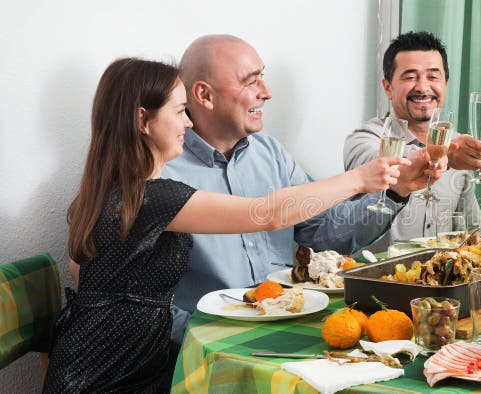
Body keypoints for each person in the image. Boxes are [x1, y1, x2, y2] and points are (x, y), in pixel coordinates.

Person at [48, 59, 408, 392]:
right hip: (113, 377)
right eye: (179, 112)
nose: (188, 123)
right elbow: (267, 214)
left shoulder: (113, 192)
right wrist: (358, 179)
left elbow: (82, 271)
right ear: (144, 121)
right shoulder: (153, 198)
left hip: (117, 362)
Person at [153, 35, 442, 349]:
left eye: (262, 77)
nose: (267, 92)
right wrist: (197, 340)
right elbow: (148, 300)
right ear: (204, 95)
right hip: (210, 345)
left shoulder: (271, 154)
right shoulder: (162, 170)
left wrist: (397, 191)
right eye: (252, 81)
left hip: (291, 329)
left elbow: (327, 232)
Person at [344, 31, 481, 246]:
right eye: (410, 77)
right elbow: (381, 167)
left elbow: (472, 233)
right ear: (388, 87)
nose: (423, 87)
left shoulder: (458, 145)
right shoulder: (365, 139)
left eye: (433, 77)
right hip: (377, 277)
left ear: (445, 84)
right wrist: (445, 155)